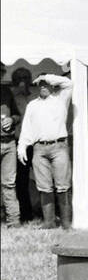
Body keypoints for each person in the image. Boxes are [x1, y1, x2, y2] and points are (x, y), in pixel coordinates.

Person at [17, 73, 72, 230]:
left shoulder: (61, 99)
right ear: (36, 86)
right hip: (39, 149)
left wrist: (46, 76)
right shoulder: (32, 105)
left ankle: (66, 223)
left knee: (63, 186)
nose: (43, 86)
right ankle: (49, 222)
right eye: (40, 84)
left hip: (59, 147)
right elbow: (26, 128)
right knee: (44, 187)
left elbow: (69, 83)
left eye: (46, 83)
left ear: (52, 85)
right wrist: (22, 146)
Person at [8, 67, 36, 221]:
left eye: (25, 78)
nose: (22, 81)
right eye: (19, 78)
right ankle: (25, 214)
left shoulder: (34, 97)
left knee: (42, 177)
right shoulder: (11, 97)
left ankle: (48, 213)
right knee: (21, 180)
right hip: (18, 141)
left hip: (34, 141)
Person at [1, 86, 20, 226]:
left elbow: (17, 115)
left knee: (9, 183)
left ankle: (13, 221)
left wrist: (12, 120)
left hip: (9, 143)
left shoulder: (6, 91)